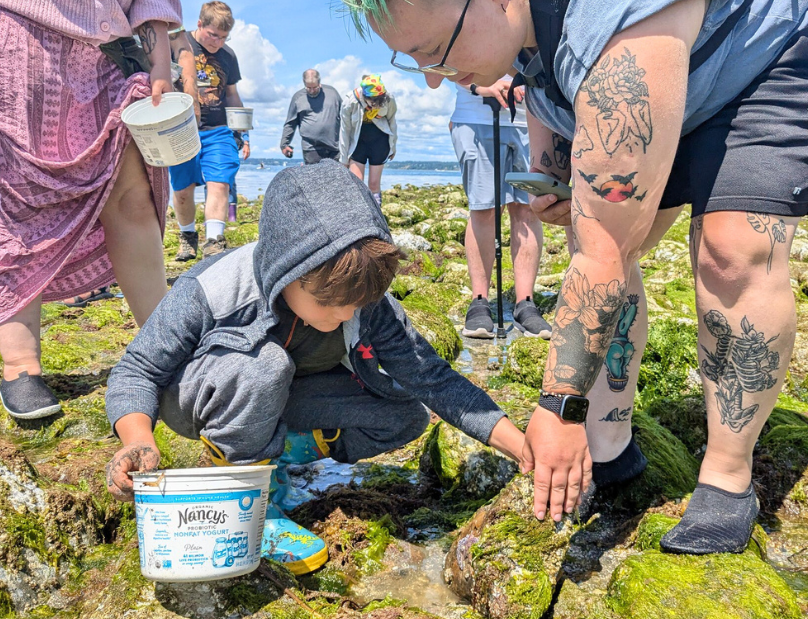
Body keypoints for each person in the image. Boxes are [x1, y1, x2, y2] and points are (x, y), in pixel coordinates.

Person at [331, 0, 808, 554]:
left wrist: (558, 403)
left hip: (794, 34)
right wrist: (559, 178)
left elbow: (602, 255)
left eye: (434, 52)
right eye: (410, 60)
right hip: (684, 57)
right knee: (600, 234)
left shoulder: (616, 7)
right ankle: (614, 445)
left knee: (729, 247)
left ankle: (728, 476)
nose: (430, 80)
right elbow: (549, 89)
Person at [104, 161, 525, 574]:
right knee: (266, 364)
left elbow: (432, 377)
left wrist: (521, 446)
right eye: (329, 303)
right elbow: (136, 370)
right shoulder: (214, 286)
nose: (345, 315)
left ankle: (277, 455)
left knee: (403, 416)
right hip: (209, 395)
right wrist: (137, 440)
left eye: (356, 304)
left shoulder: (362, 296)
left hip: (288, 399)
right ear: (287, 269)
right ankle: (250, 500)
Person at [0, 0, 182, 420]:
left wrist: (160, 60)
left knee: (134, 197)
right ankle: (20, 363)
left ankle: (166, 348)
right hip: (14, 44)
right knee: (14, 203)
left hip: (110, 59)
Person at [451, 79, 552, 340]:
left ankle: (526, 303)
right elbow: (443, 65)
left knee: (527, 210)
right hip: (476, 118)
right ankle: (479, 301)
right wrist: (482, 87)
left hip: (533, 119)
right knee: (483, 208)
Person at [169, 1, 249, 262]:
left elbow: (233, 95)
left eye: (223, 37)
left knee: (219, 182)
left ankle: (214, 240)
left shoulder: (229, 56)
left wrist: (243, 134)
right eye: (212, 34)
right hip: (182, 130)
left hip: (218, 130)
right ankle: (187, 236)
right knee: (182, 190)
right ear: (199, 24)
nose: (217, 41)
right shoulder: (179, 46)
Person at [339, 75, 398, 206]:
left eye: (379, 102)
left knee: (373, 184)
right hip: (358, 142)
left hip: (379, 141)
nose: (376, 105)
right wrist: (343, 160)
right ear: (365, 97)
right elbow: (345, 130)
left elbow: (392, 122)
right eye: (373, 103)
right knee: (357, 183)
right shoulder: (350, 101)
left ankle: (377, 217)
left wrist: (392, 147)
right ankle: (359, 216)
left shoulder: (389, 98)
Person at [281, 69, 343, 164]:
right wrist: (284, 144)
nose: (312, 91)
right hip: (311, 148)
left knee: (334, 178)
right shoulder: (298, 98)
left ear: (319, 83)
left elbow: (344, 116)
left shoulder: (332, 93)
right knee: (313, 178)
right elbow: (290, 123)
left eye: (315, 87)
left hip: (334, 147)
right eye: (308, 88)